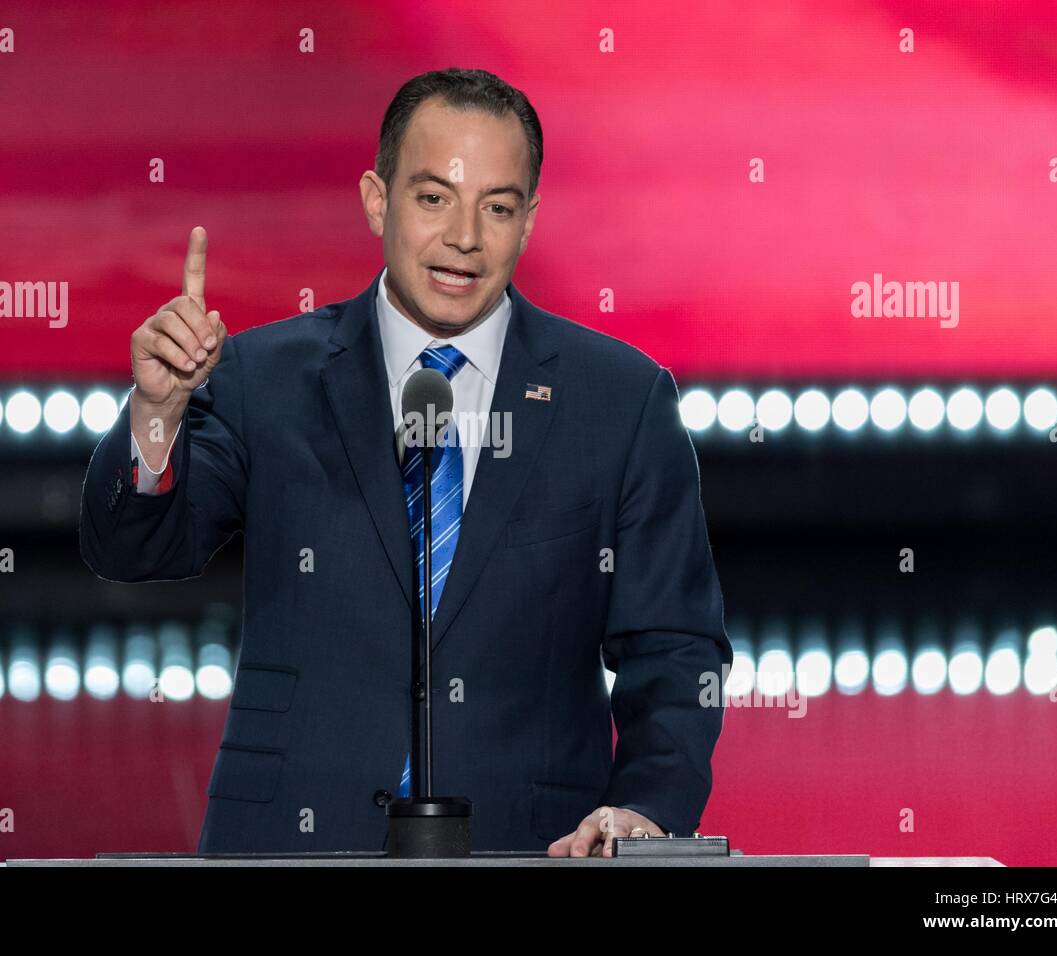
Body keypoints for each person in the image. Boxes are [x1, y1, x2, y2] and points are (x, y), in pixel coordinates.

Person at [80, 67, 731, 857]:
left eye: (498, 207)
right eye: (433, 199)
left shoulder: (619, 401)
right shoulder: (269, 378)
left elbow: (674, 650)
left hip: (530, 847)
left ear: (528, 221)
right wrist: (157, 413)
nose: (465, 237)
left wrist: (644, 813)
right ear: (377, 200)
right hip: (291, 843)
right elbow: (134, 547)